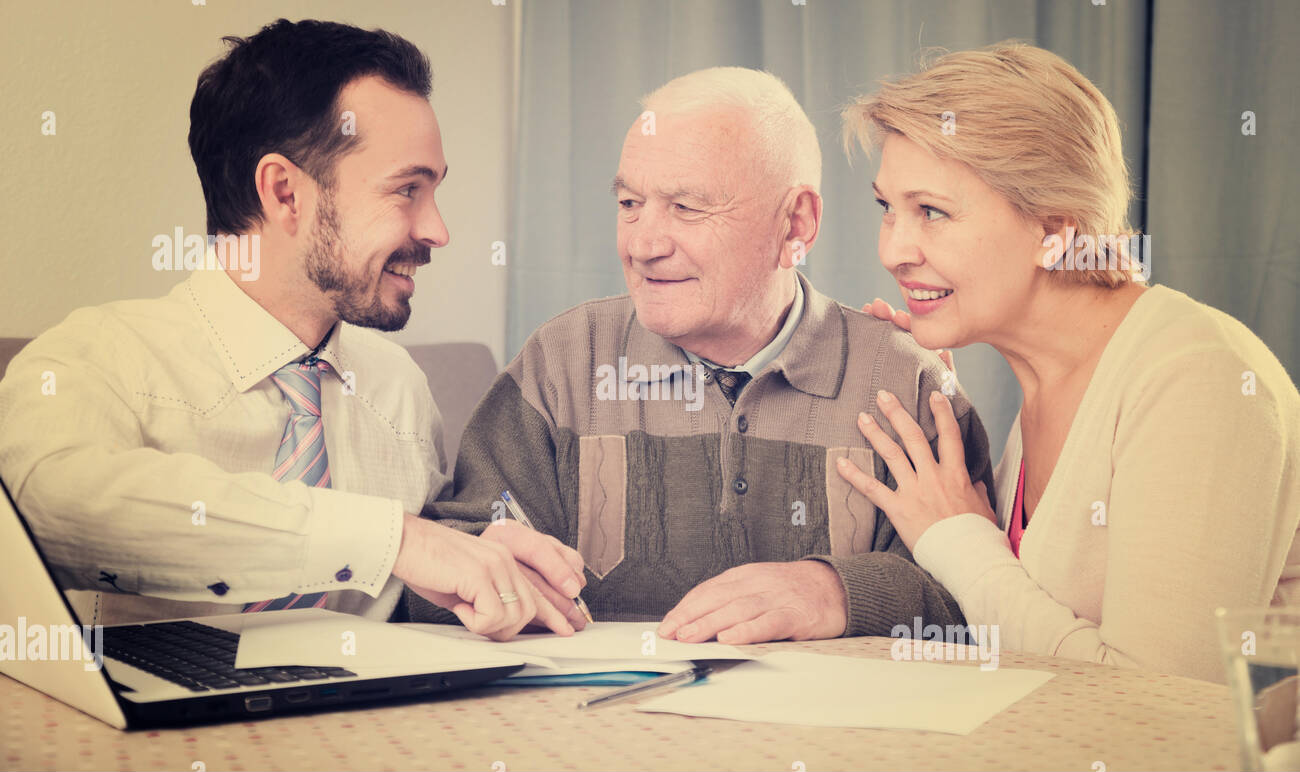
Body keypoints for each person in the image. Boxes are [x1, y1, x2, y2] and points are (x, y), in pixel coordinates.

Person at [0, 19, 582, 641]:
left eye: (434, 191)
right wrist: (390, 538)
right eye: (407, 190)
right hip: (156, 734)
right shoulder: (93, 359)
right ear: (284, 193)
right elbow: (47, 508)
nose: (438, 230)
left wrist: (479, 555)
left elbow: (425, 576)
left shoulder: (398, 389)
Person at [407, 67, 997, 644]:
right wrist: (480, 573)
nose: (642, 244)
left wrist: (835, 591)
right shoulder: (559, 363)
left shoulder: (908, 381)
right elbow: (434, 584)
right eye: (630, 203)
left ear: (796, 222)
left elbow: (978, 600)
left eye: (686, 208)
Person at [837, 41, 1300, 682]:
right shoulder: (1044, 381)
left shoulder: (1198, 378)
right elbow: (1028, 617)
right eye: (888, 208)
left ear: (1055, 232)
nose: (894, 250)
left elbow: (1158, 704)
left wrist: (956, 540)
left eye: (932, 212)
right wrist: (936, 401)